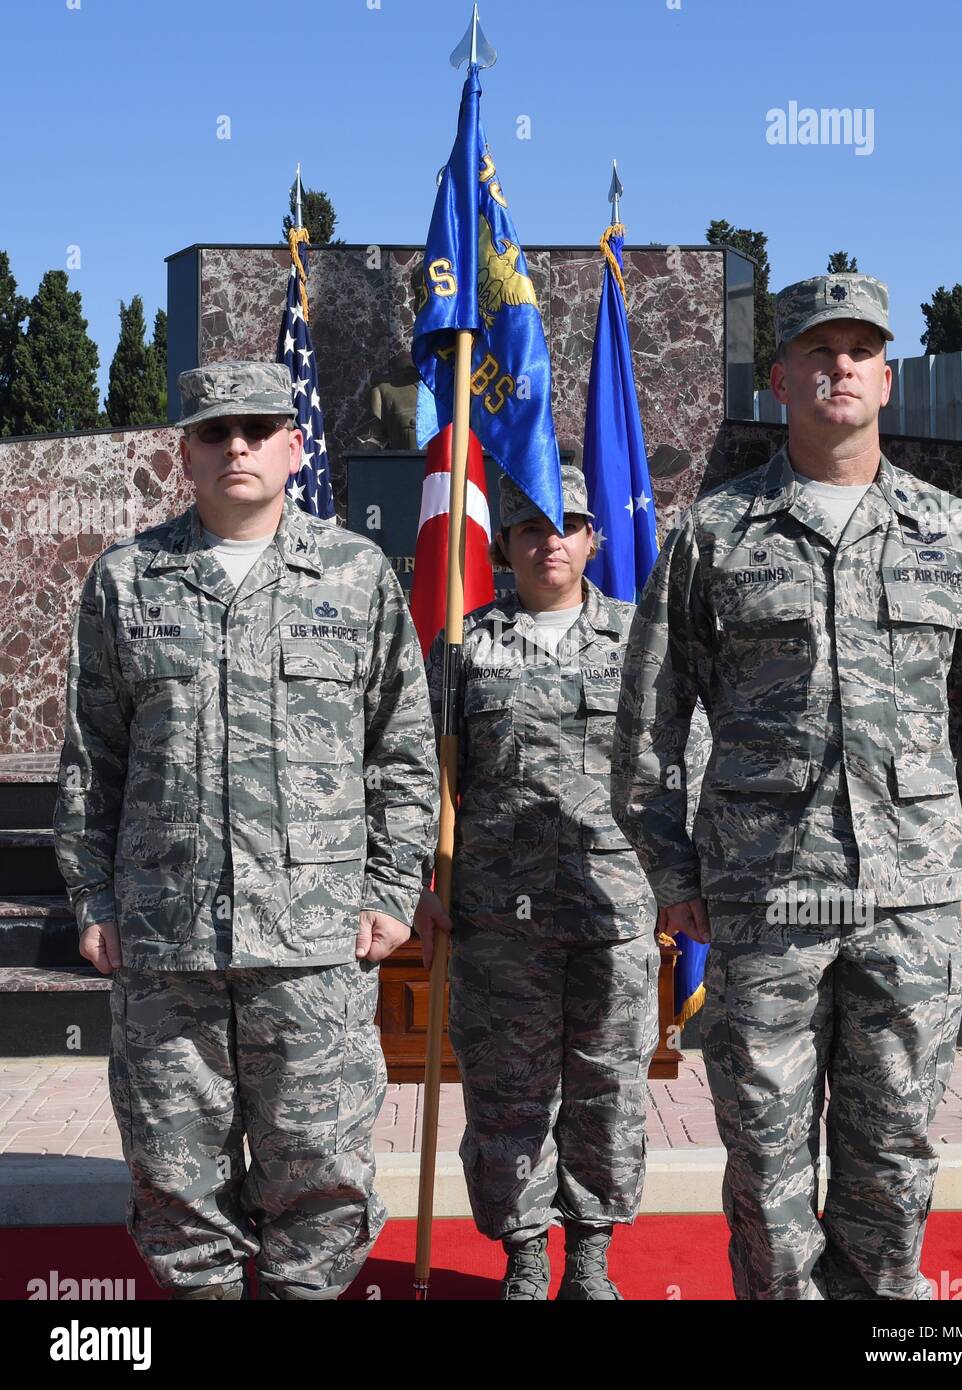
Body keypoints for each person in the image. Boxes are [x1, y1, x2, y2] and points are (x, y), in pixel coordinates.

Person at [611, 274, 962, 1300]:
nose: (838, 366)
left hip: (910, 900)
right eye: (817, 349)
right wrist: (673, 873)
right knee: (766, 1161)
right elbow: (649, 724)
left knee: (893, 1156)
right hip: (765, 900)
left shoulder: (955, 533)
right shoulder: (716, 535)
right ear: (781, 377)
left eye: (859, 350)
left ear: (888, 378)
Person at [53, 361, 438, 1300]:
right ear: (183, 450)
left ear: (295, 446)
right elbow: (91, 756)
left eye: (259, 428)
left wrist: (391, 894)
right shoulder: (128, 578)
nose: (238, 446)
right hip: (164, 936)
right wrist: (92, 897)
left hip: (313, 938)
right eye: (216, 431)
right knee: (174, 1172)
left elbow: (403, 750)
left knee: (320, 1169)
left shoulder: (354, 576)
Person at [414, 464, 660, 1301]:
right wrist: (419, 878)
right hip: (496, 920)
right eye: (530, 529)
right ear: (507, 545)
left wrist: (687, 875)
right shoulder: (460, 646)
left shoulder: (640, 641)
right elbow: (419, 775)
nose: (550, 542)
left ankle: (590, 1257)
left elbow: (677, 767)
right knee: (506, 1096)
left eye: (568, 527)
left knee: (609, 1090)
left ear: (593, 539)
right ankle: (523, 1256)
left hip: (613, 909)